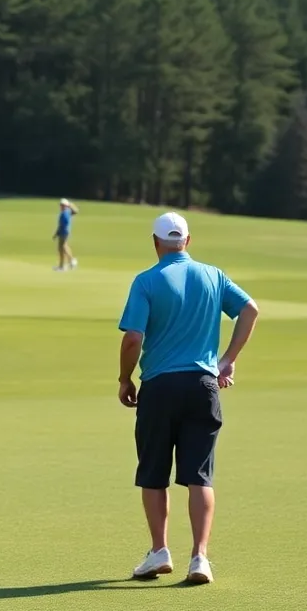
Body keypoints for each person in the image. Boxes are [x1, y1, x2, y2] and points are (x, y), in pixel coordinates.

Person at [116, 212, 259, 585]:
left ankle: (160, 550)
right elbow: (249, 309)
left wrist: (124, 379)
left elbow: (133, 338)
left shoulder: (147, 281)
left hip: (160, 388)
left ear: (155, 243)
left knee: (153, 474)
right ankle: (200, 558)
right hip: (203, 387)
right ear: (188, 241)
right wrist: (226, 362)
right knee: (200, 476)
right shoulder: (213, 275)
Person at [54, 198, 79, 271]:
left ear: (65, 206)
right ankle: (65, 264)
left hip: (64, 232)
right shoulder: (67, 212)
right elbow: (76, 211)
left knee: (63, 247)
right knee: (62, 247)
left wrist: (57, 233)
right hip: (64, 232)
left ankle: (68, 263)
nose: (60, 207)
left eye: (62, 205)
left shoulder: (66, 213)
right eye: (60, 205)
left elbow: (62, 225)